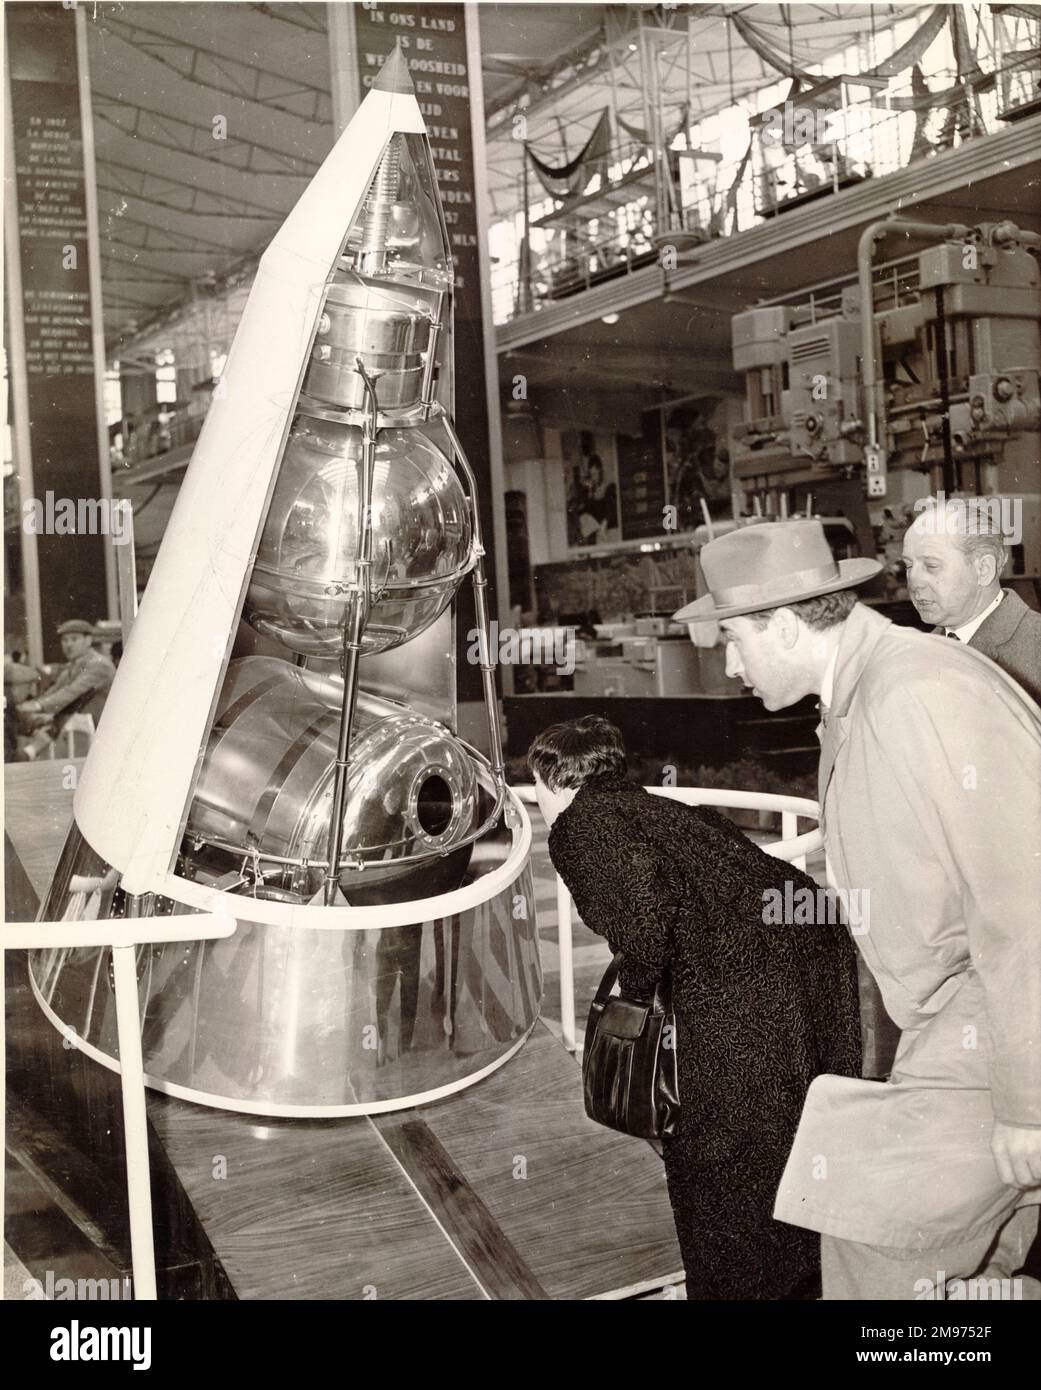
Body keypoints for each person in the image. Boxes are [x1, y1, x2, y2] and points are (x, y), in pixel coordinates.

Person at [675, 518, 1041, 1300]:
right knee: (968, 1278)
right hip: (958, 1023)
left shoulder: (918, 691)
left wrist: (1027, 1100)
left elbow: (1025, 902)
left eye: (733, 637)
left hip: (992, 1024)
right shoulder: (865, 688)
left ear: (780, 623)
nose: (728, 663)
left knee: (870, 1241)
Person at [528, 715, 862, 1299]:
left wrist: (628, 1006)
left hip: (738, 999)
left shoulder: (579, 827)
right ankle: (801, 1279)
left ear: (554, 781)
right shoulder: (661, 809)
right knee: (782, 1147)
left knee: (719, 1165)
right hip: (805, 967)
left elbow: (644, 923)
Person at [903, 494, 1041, 704]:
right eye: (909, 566)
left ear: (984, 570)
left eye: (931, 566)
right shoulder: (916, 652)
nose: (914, 582)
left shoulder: (1035, 649)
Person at [16, 619, 115, 760]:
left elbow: (71, 692)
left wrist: (37, 706)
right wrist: (28, 707)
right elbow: (54, 691)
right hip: (79, 731)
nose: (68, 645)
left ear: (88, 640)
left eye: (74, 639)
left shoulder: (99, 664)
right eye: (65, 640)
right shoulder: (72, 666)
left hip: (101, 734)